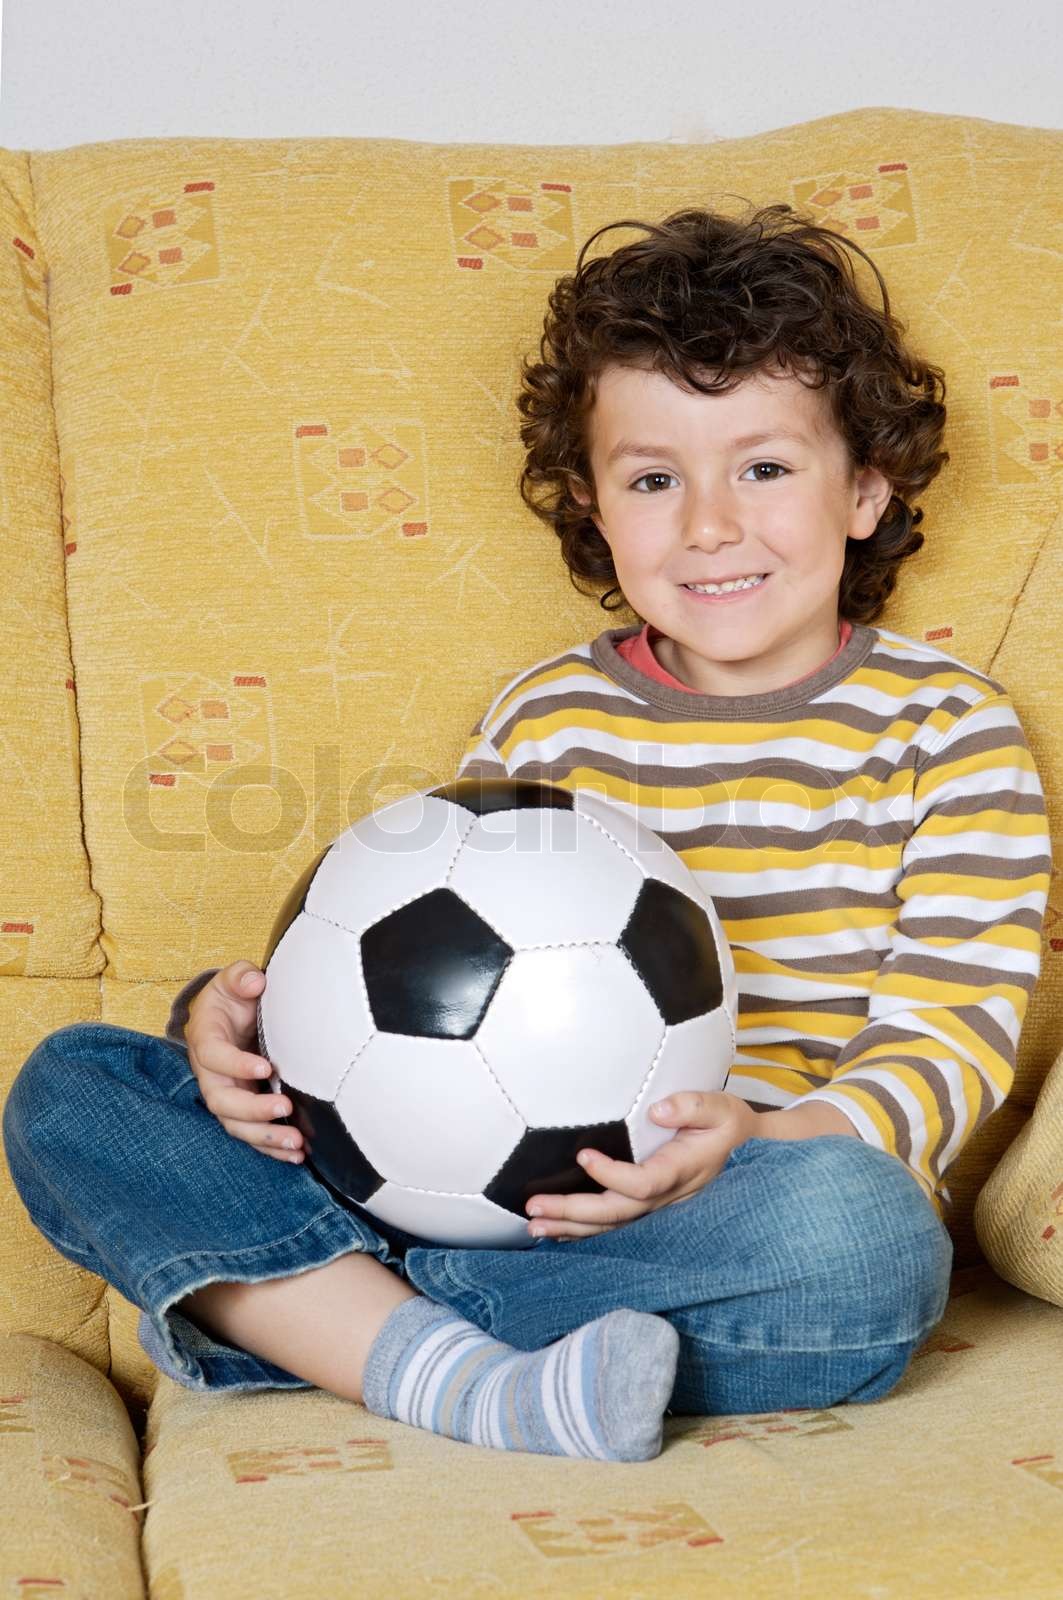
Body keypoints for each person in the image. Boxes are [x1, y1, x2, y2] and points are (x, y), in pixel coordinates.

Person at [4, 203, 1051, 1466]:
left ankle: (338, 1326)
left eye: (764, 468)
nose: (710, 524)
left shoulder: (944, 727)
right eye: (654, 479)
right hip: (450, 1184)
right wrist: (247, 1038)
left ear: (866, 489)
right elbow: (418, 977)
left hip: (732, 1216)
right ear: (595, 509)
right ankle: (468, 1375)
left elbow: (949, 1035)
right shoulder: (549, 714)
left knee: (864, 1238)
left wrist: (767, 1138)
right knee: (78, 1084)